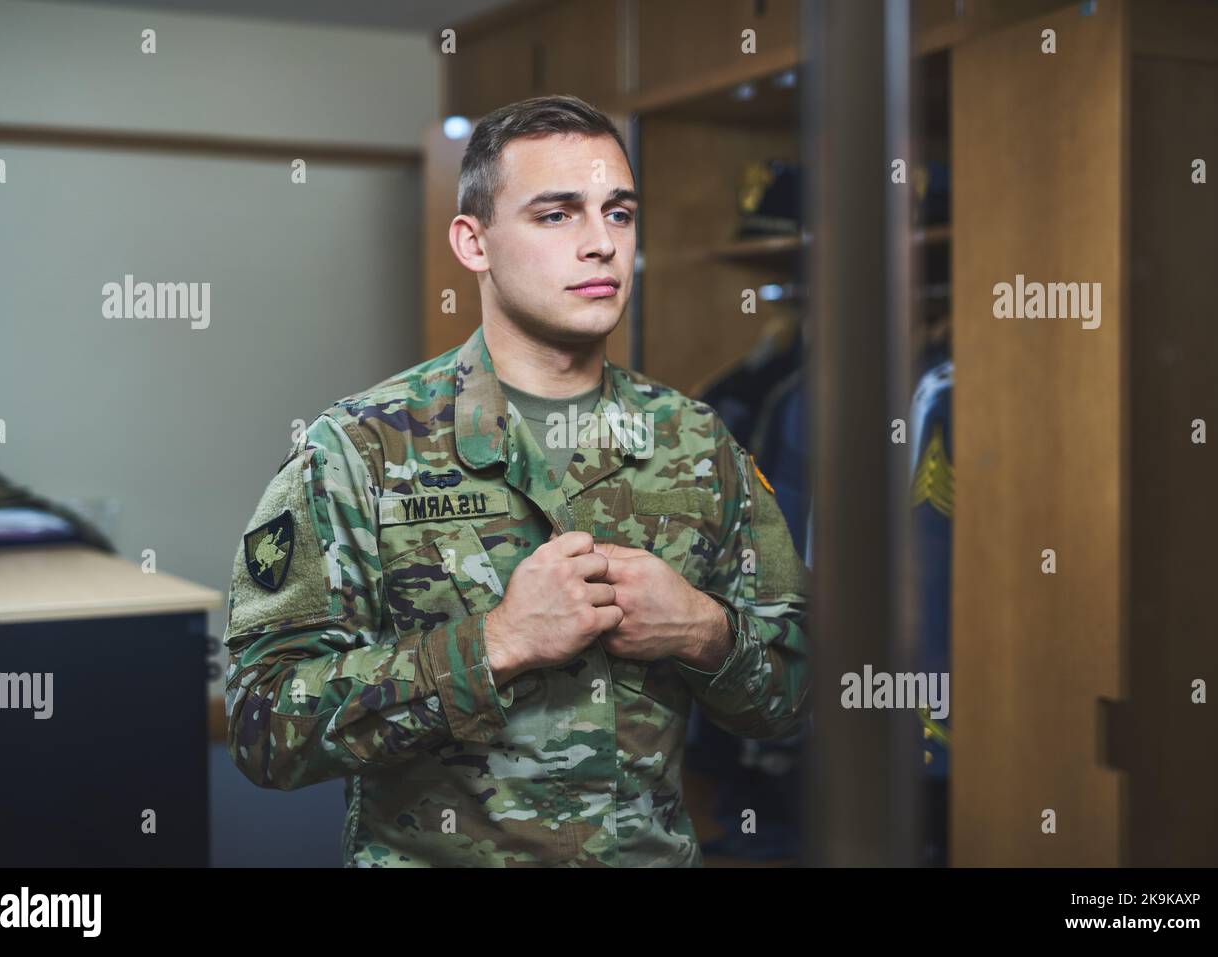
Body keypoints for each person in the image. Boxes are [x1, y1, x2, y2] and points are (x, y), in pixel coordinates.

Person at [222, 94, 810, 867]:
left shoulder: (698, 441)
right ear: (474, 242)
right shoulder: (356, 451)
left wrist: (700, 629)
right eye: (558, 215)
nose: (603, 244)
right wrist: (495, 643)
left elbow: (792, 699)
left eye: (620, 213)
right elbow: (265, 729)